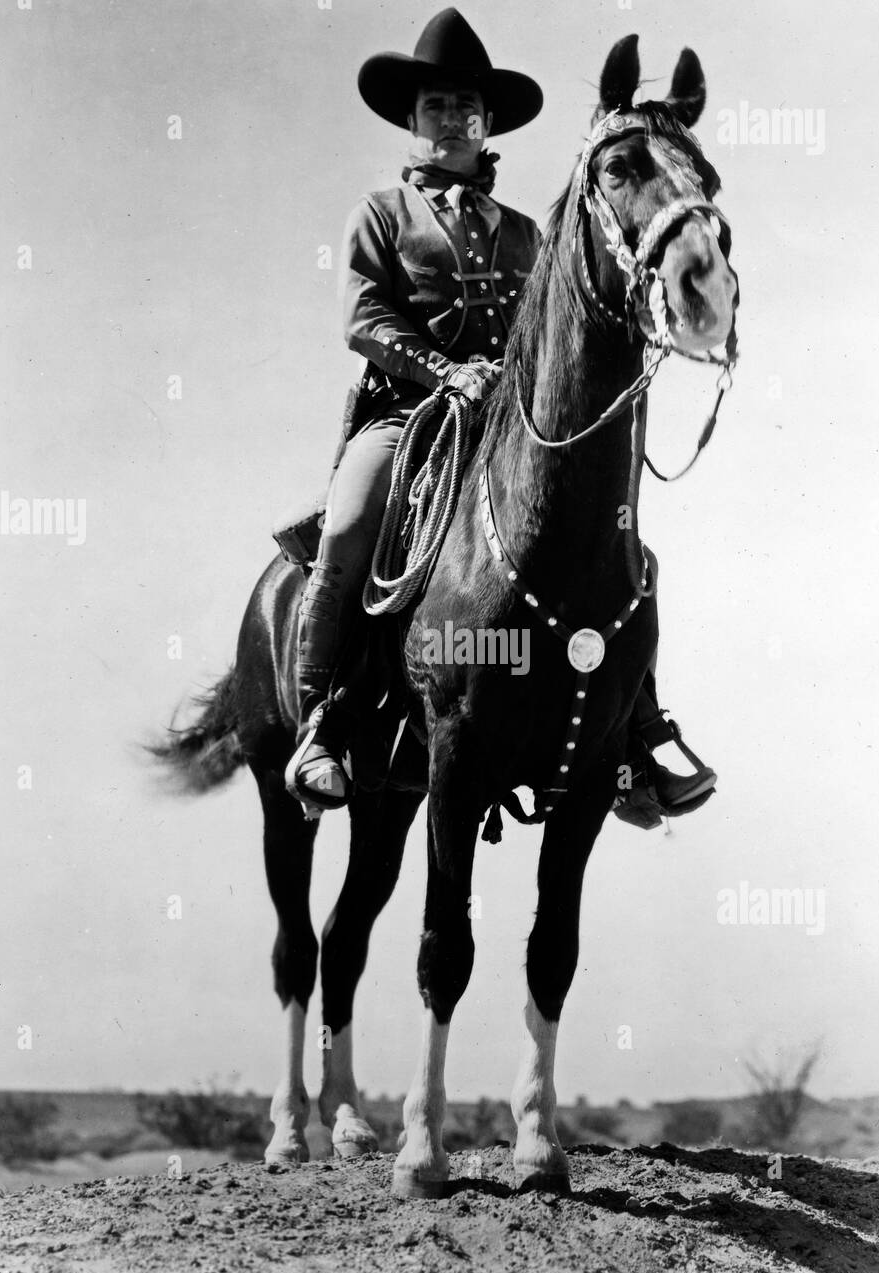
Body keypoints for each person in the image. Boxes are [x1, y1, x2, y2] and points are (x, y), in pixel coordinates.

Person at [273, 8, 716, 829]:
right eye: (438, 106)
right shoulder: (379, 214)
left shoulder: (523, 232)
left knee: (613, 543)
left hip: (510, 425)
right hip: (408, 413)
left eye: (468, 109)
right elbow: (362, 320)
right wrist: (447, 372)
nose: (454, 121)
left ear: (486, 125)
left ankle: (637, 734)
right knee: (351, 522)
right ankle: (321, 720)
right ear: (412, 120)